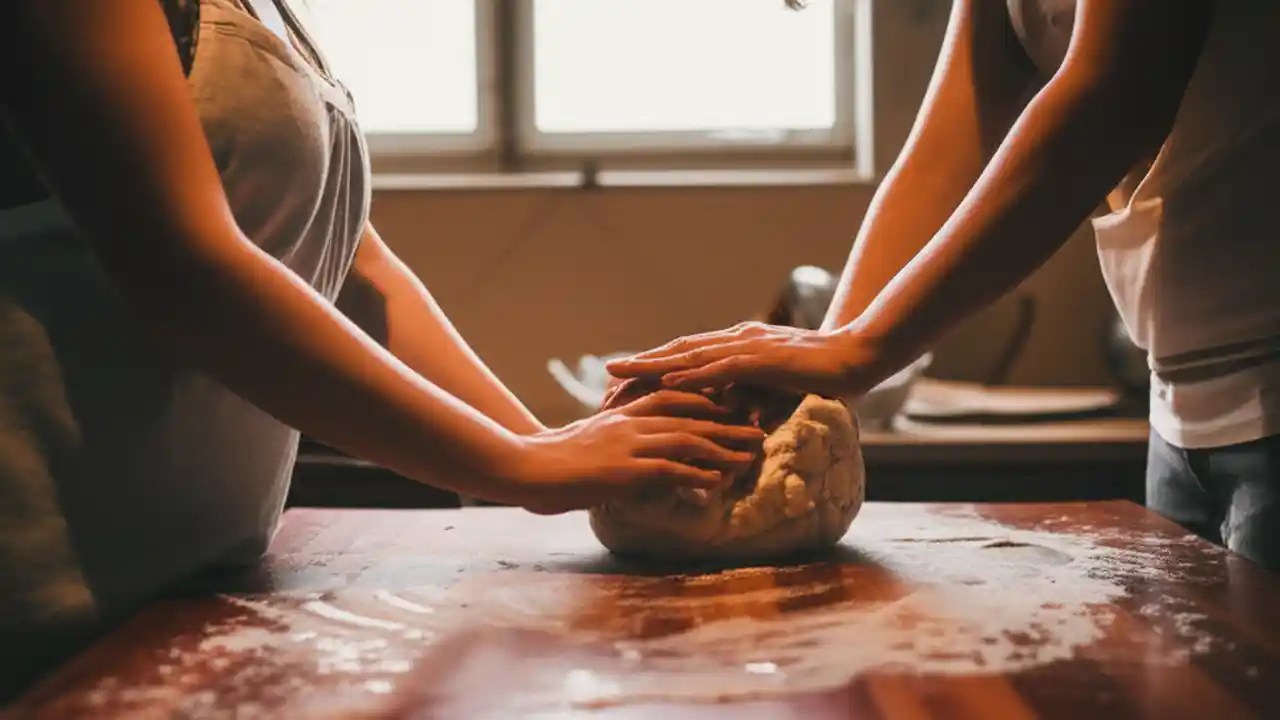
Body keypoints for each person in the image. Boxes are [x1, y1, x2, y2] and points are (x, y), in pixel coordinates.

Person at [0, 0, 762, 693]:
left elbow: (360, 273)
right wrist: (518, 466)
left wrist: (541, 442)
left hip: (185, 600)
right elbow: (181, 265)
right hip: (52, 598)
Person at [610, 0, 1280, 571]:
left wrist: (863, 350)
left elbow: (1116, 90)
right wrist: (829, 368)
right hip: (1185, 408)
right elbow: (957, 132)